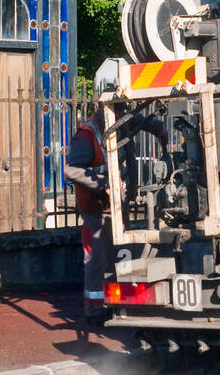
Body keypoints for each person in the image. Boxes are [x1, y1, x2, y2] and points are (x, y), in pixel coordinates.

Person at [65, 77, 168, 328]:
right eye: (119, 108)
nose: (123, 113)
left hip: (113, 205)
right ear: (104, 107)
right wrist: (102, 184)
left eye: (124, 109)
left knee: (112, 256)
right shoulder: (87, 135)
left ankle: (112, 305)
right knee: (98, 258)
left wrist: (161, 131)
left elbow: (141, 121)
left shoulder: (119, 120)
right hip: (94, 206)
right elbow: (70, 170)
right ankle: (95, 310)